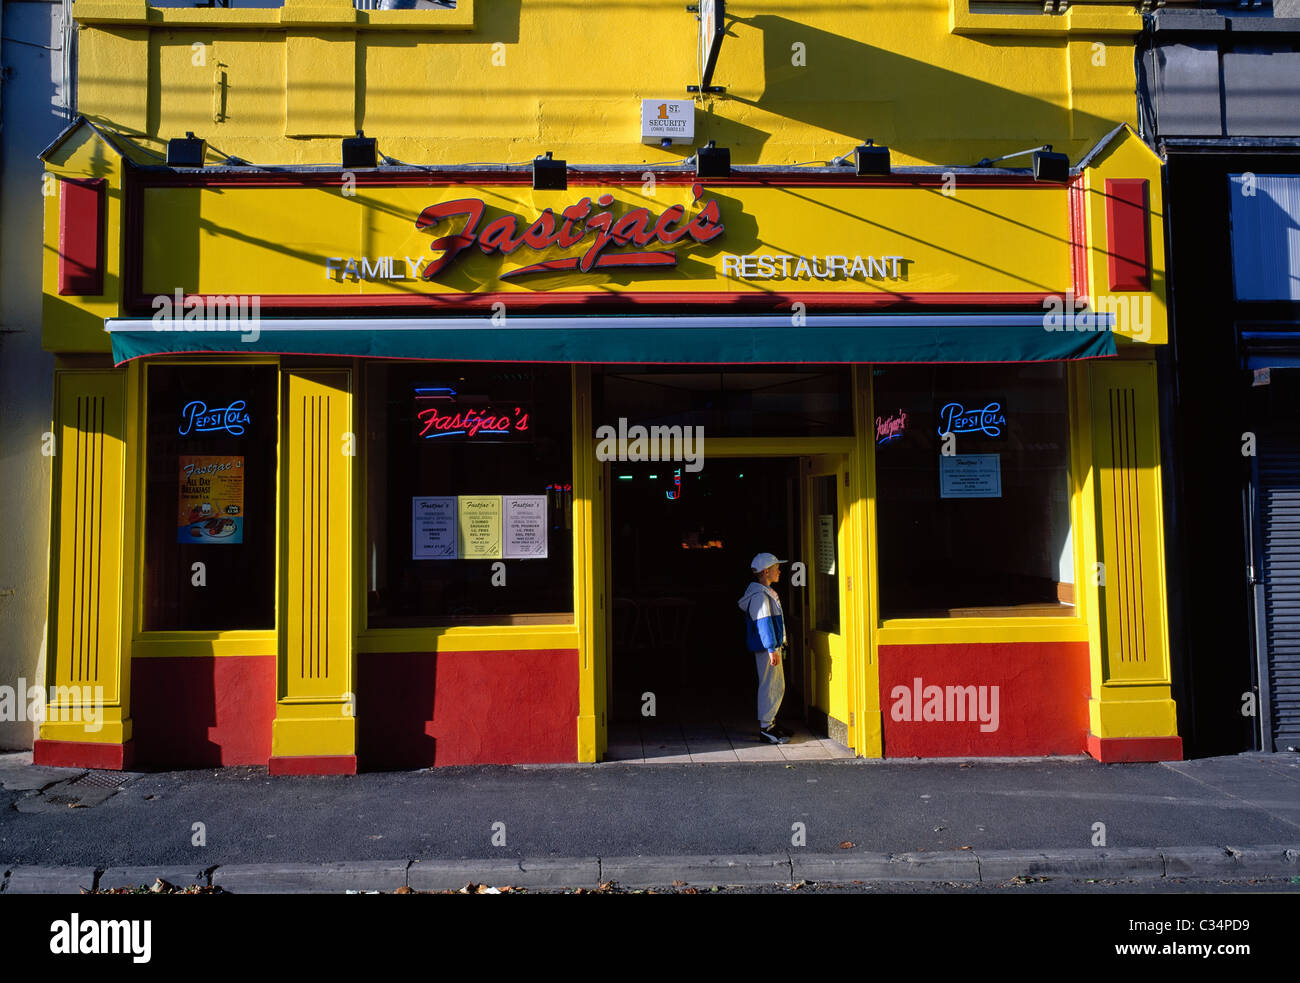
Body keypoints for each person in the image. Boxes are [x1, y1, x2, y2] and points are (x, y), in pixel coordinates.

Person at [738, 552, 791, 745]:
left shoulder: (764, 592)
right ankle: (766, 728)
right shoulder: (760, 596)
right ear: (766, 572)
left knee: (775, 685)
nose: (779, 571)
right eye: (776, 568)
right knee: (770, 685)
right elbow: (764, 623)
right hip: (767, 648)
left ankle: (771, 723)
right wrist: (770, 648)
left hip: (771, 647)